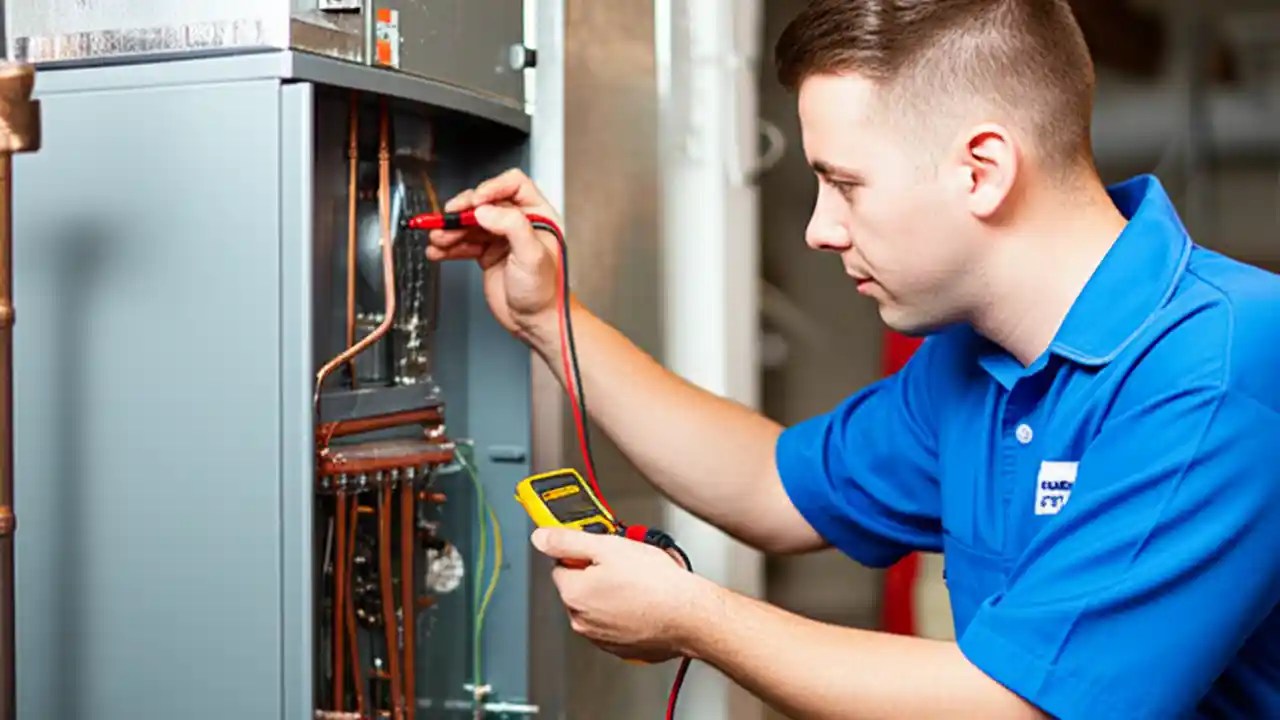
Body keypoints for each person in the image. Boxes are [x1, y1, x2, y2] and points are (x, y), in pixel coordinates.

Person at [426, 1, 1280, 717]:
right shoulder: (974, 361)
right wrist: (550, 318)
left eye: (848, 184)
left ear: (981, 170)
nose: (820, 228)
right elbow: (769, 485)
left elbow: (1016, 706)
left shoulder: (1222, 364)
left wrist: (694, 619)